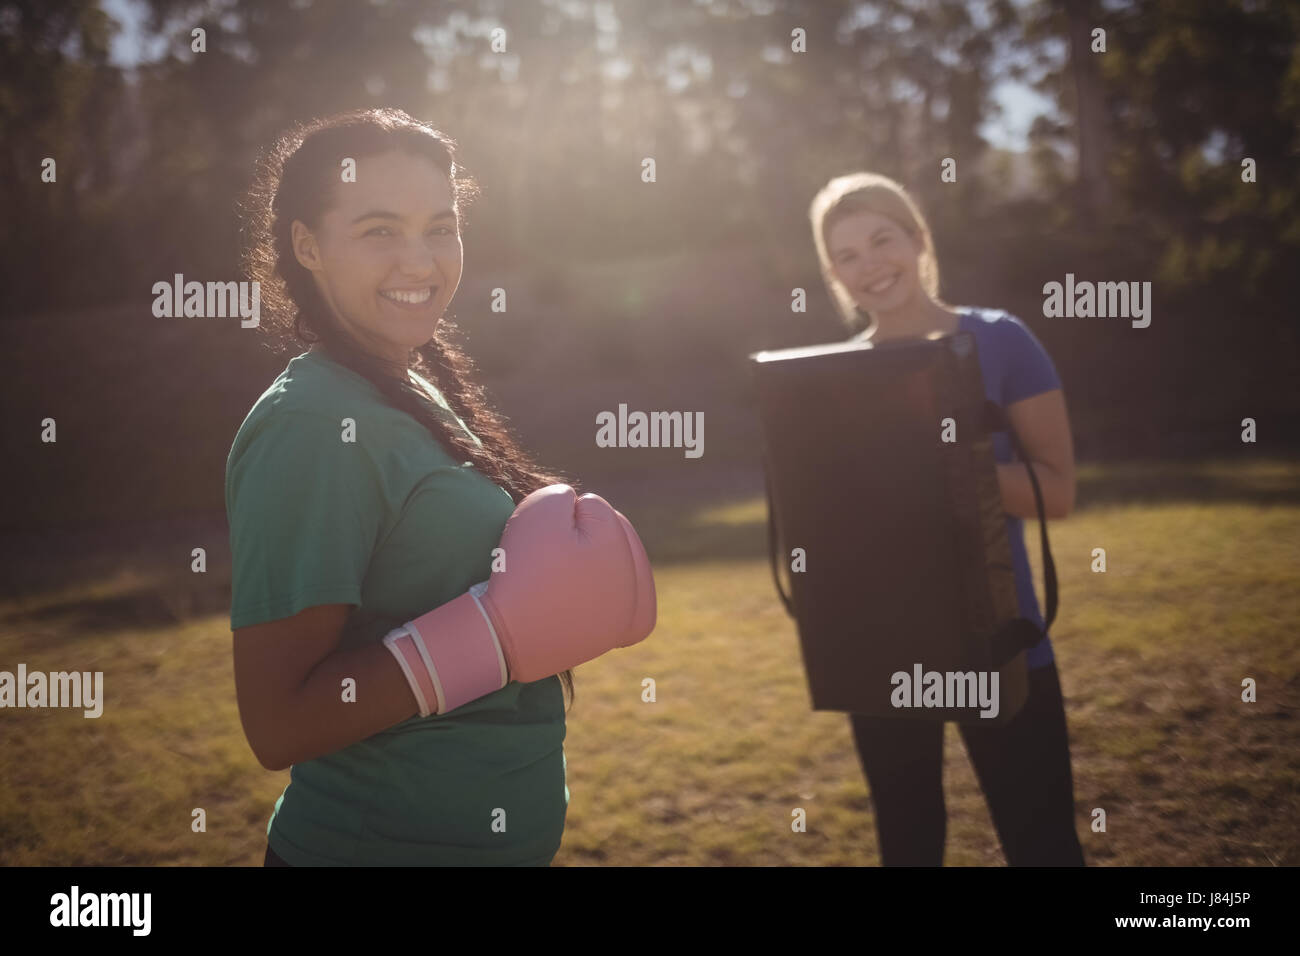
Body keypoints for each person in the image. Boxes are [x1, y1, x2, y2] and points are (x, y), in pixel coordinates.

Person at [228, 108, 654, 867]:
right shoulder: (309, 424)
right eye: (379, 230)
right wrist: (494, 635)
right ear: (306, 246)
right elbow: (278, 724)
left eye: (440, 226)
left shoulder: (409, 382)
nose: (420, 261)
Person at [808, 171, 1086, 866]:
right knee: (907, 845)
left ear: (919, 240)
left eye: (883, 239)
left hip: (1000, 634)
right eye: (847, 255)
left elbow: (1056, 492)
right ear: (832, 274)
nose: (870, 265)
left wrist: (949, 465)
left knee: (1043, 843)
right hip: (879, 645)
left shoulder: (1001, 340)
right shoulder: (828, 379)